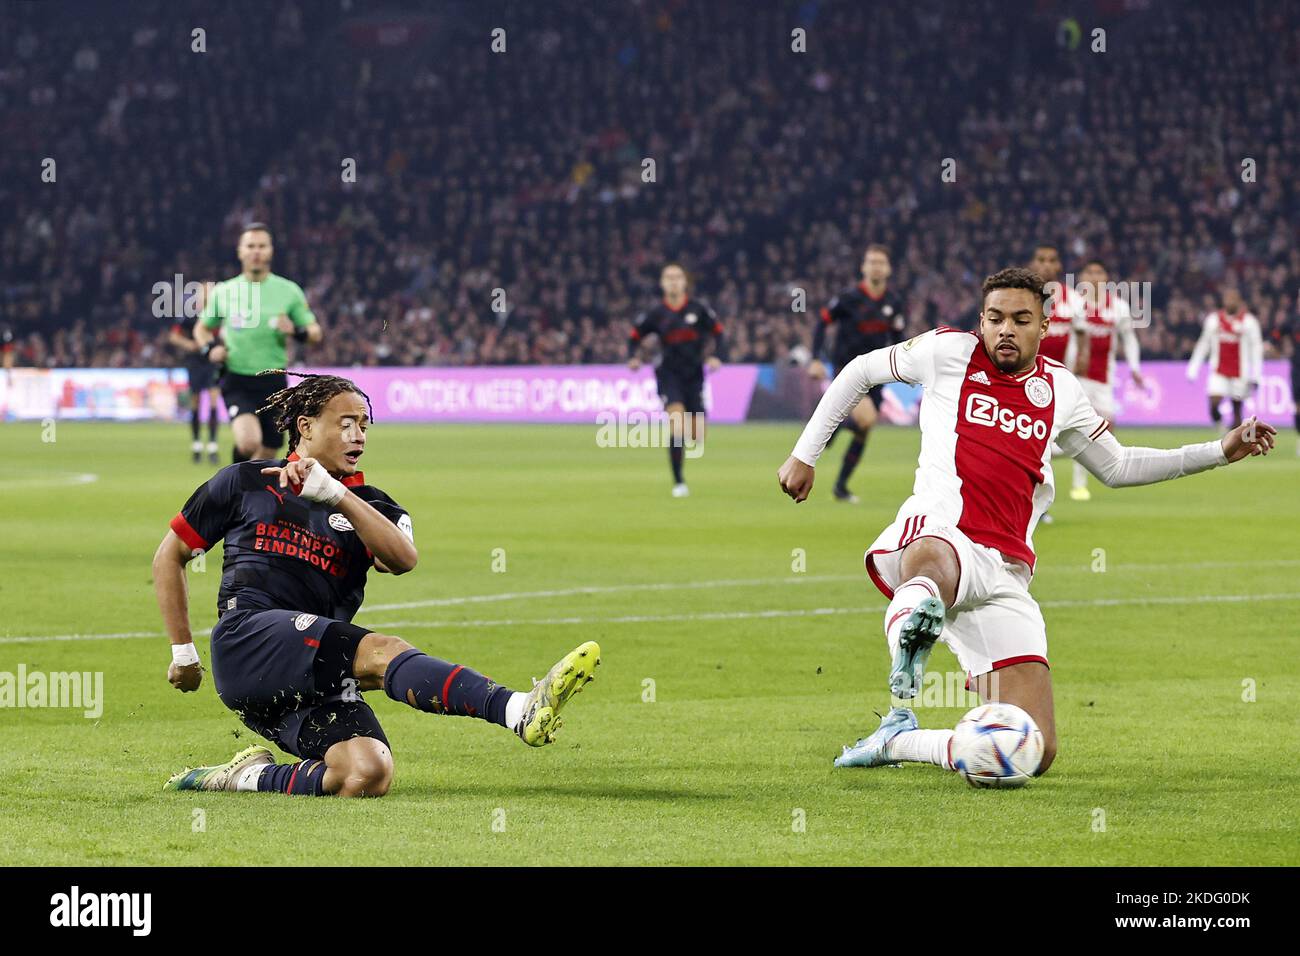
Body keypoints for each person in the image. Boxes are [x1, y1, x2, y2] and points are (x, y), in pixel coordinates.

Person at [776, 267, 1275, 778]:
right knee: (932, 562)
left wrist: (1218, 451)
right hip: (943, 528)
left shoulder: (1060, 389)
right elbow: (861, 369)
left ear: (1044, 325)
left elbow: (1118, 466)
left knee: (1031, 749)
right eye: (995, 319)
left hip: (1005, 573)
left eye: (1020, 319)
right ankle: (911, 631)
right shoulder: (947, 352)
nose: (1005, 330)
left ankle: (900, 740)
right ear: (982, 320)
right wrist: (805, 455)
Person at [154, 372, 601, 796]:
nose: (358, 435)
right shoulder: (246, 481)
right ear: (305, 427)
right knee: (382, 651)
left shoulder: (373, 506)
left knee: (366, 773)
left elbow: (402, 559)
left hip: (307, 675)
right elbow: (170, 556)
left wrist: (337, 495)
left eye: (364, 425)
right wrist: (183, 653)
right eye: (345, 424)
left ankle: (247, 777)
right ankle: (517, 709)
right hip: (247, 641)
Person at [193, 223, 323, 463]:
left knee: (268, 451)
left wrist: (297, 330)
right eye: (250, 246)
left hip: (273, 381)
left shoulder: (289, 291)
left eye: (262, 246)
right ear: (240, 251)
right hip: (237, 378)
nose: (256, 251)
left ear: (270, 251)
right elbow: (201, 328)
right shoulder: (224, 291)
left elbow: (315, 332)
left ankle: (245, 492)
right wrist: (210, 349)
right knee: (248, 441)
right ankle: (232, 484)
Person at [807, 245, 907, 503]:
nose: (875, 266)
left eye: (880, 262)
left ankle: (841, 486)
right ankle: (835, 426)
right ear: (863, 267)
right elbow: (822, 323)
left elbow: (898, 338)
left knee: (865, 429)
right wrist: (816, 358)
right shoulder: (848, 298)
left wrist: (907, 367)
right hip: (849, 369)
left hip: (878, 372)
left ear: (888, 269)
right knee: (866, 419)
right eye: (871, 262)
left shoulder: (893, 303)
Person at [627, 263, 726, 497]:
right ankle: (679, 481)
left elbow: (719, 333)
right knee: (677, 423)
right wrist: (634, 357)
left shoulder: (698, 309)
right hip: (668, 374)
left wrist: (715, 356)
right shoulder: (656, 314)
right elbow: (634, 336)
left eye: (677, 277)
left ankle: (681, 473)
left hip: (694, 375)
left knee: (697, 434)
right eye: (668, 278)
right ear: (662, 283)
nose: (673, 281)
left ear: (684, 282)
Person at [1068, 259, 1145, 500]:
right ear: (1081, 277)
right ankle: (1078, 482)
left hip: (1104, 377)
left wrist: (1134, 366)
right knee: (1078, 426)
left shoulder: (1119, 307)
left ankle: (1106, 471)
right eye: (1089, 272)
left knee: (1106, 427)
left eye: (1098, 272)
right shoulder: (1073, 305)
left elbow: (1129, 339)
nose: (1093, 276)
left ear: (1106, 277)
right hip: (1074, 376)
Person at [1187, 287, 1263, 432]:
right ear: (1223, 301)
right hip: (1219, 370)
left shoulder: (1249, 323)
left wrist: (1256, 375)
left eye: (1233, 299)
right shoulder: (1213, 320)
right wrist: (1193, 367)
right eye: (1228, 298)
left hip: (1241, 373)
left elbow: (1256, 350)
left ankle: (1232, 444)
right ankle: (1221, 427)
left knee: (1237, 414)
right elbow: (1204, 345)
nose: (1230, 302)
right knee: (1213, 403)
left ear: (1239, 302)